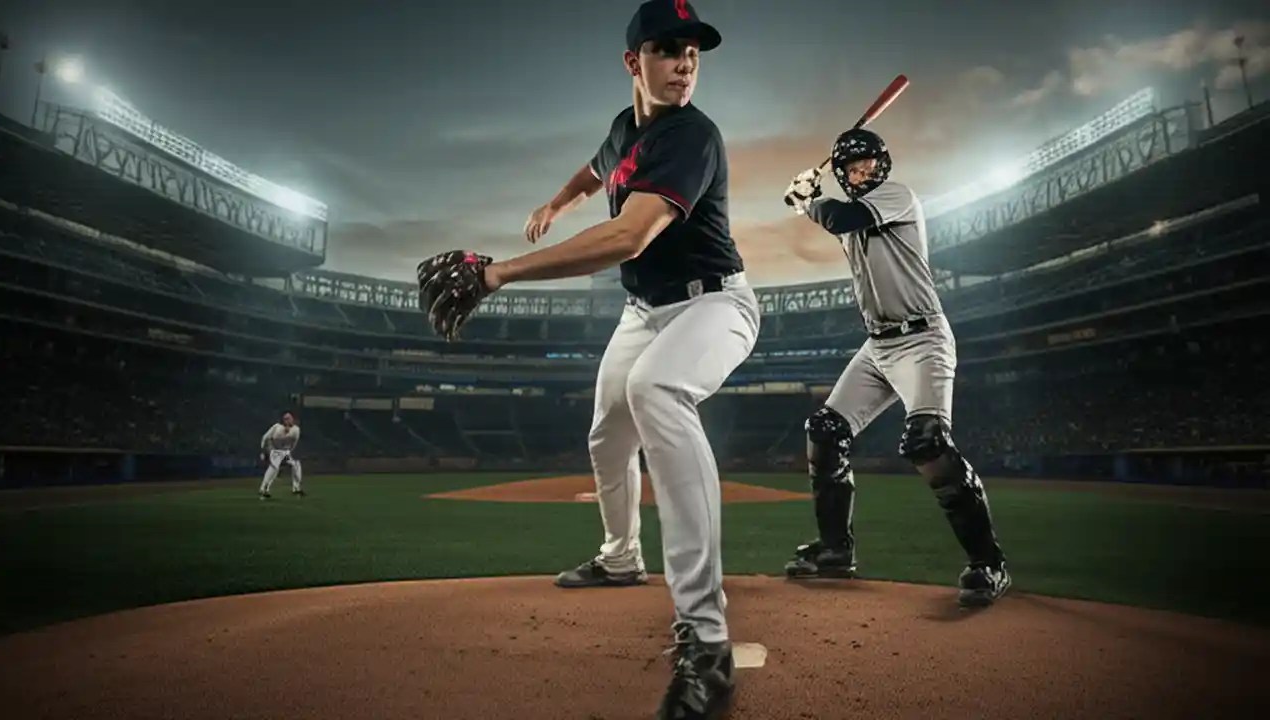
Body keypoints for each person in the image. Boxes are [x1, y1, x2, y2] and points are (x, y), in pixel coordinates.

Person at [415, 2, 755, 715]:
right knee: (607, 430)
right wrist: (556, 202)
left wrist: (499, 272)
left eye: (694, 50)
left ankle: (707, 639)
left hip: (713, 304)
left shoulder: (693, 136)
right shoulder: (625, 130)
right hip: (645, 310)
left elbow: (629, 238)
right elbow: (596, 170)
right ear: (634, 62)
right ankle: (621, 556)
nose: (686, 61)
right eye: (669, 48)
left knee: (658, 391)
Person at [780, 128, 1011, 608]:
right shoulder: (855, 206)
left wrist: (808, 199)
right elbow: (839, 219)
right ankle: (835, 550)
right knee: (824, 430)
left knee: (927, 444)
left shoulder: (896, 196)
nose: (860, 172)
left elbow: (841, 217)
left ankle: (989, 563)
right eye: (851, 168)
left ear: (881, 165)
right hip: (878, 347)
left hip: (923, 339)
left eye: (867, 164)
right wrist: (811, 201)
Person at [259, 411, 303, 499]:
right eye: (286, 419)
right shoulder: (276, 427)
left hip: (285, 452)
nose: (288, 420)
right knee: (274, 468)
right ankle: (264, 488)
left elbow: (294, 443)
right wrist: (263, 451)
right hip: (275, 451)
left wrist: (289, 451)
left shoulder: (296, 430)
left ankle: (296, 488)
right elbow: (265, 438)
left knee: (295, 465)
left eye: (289, 418)